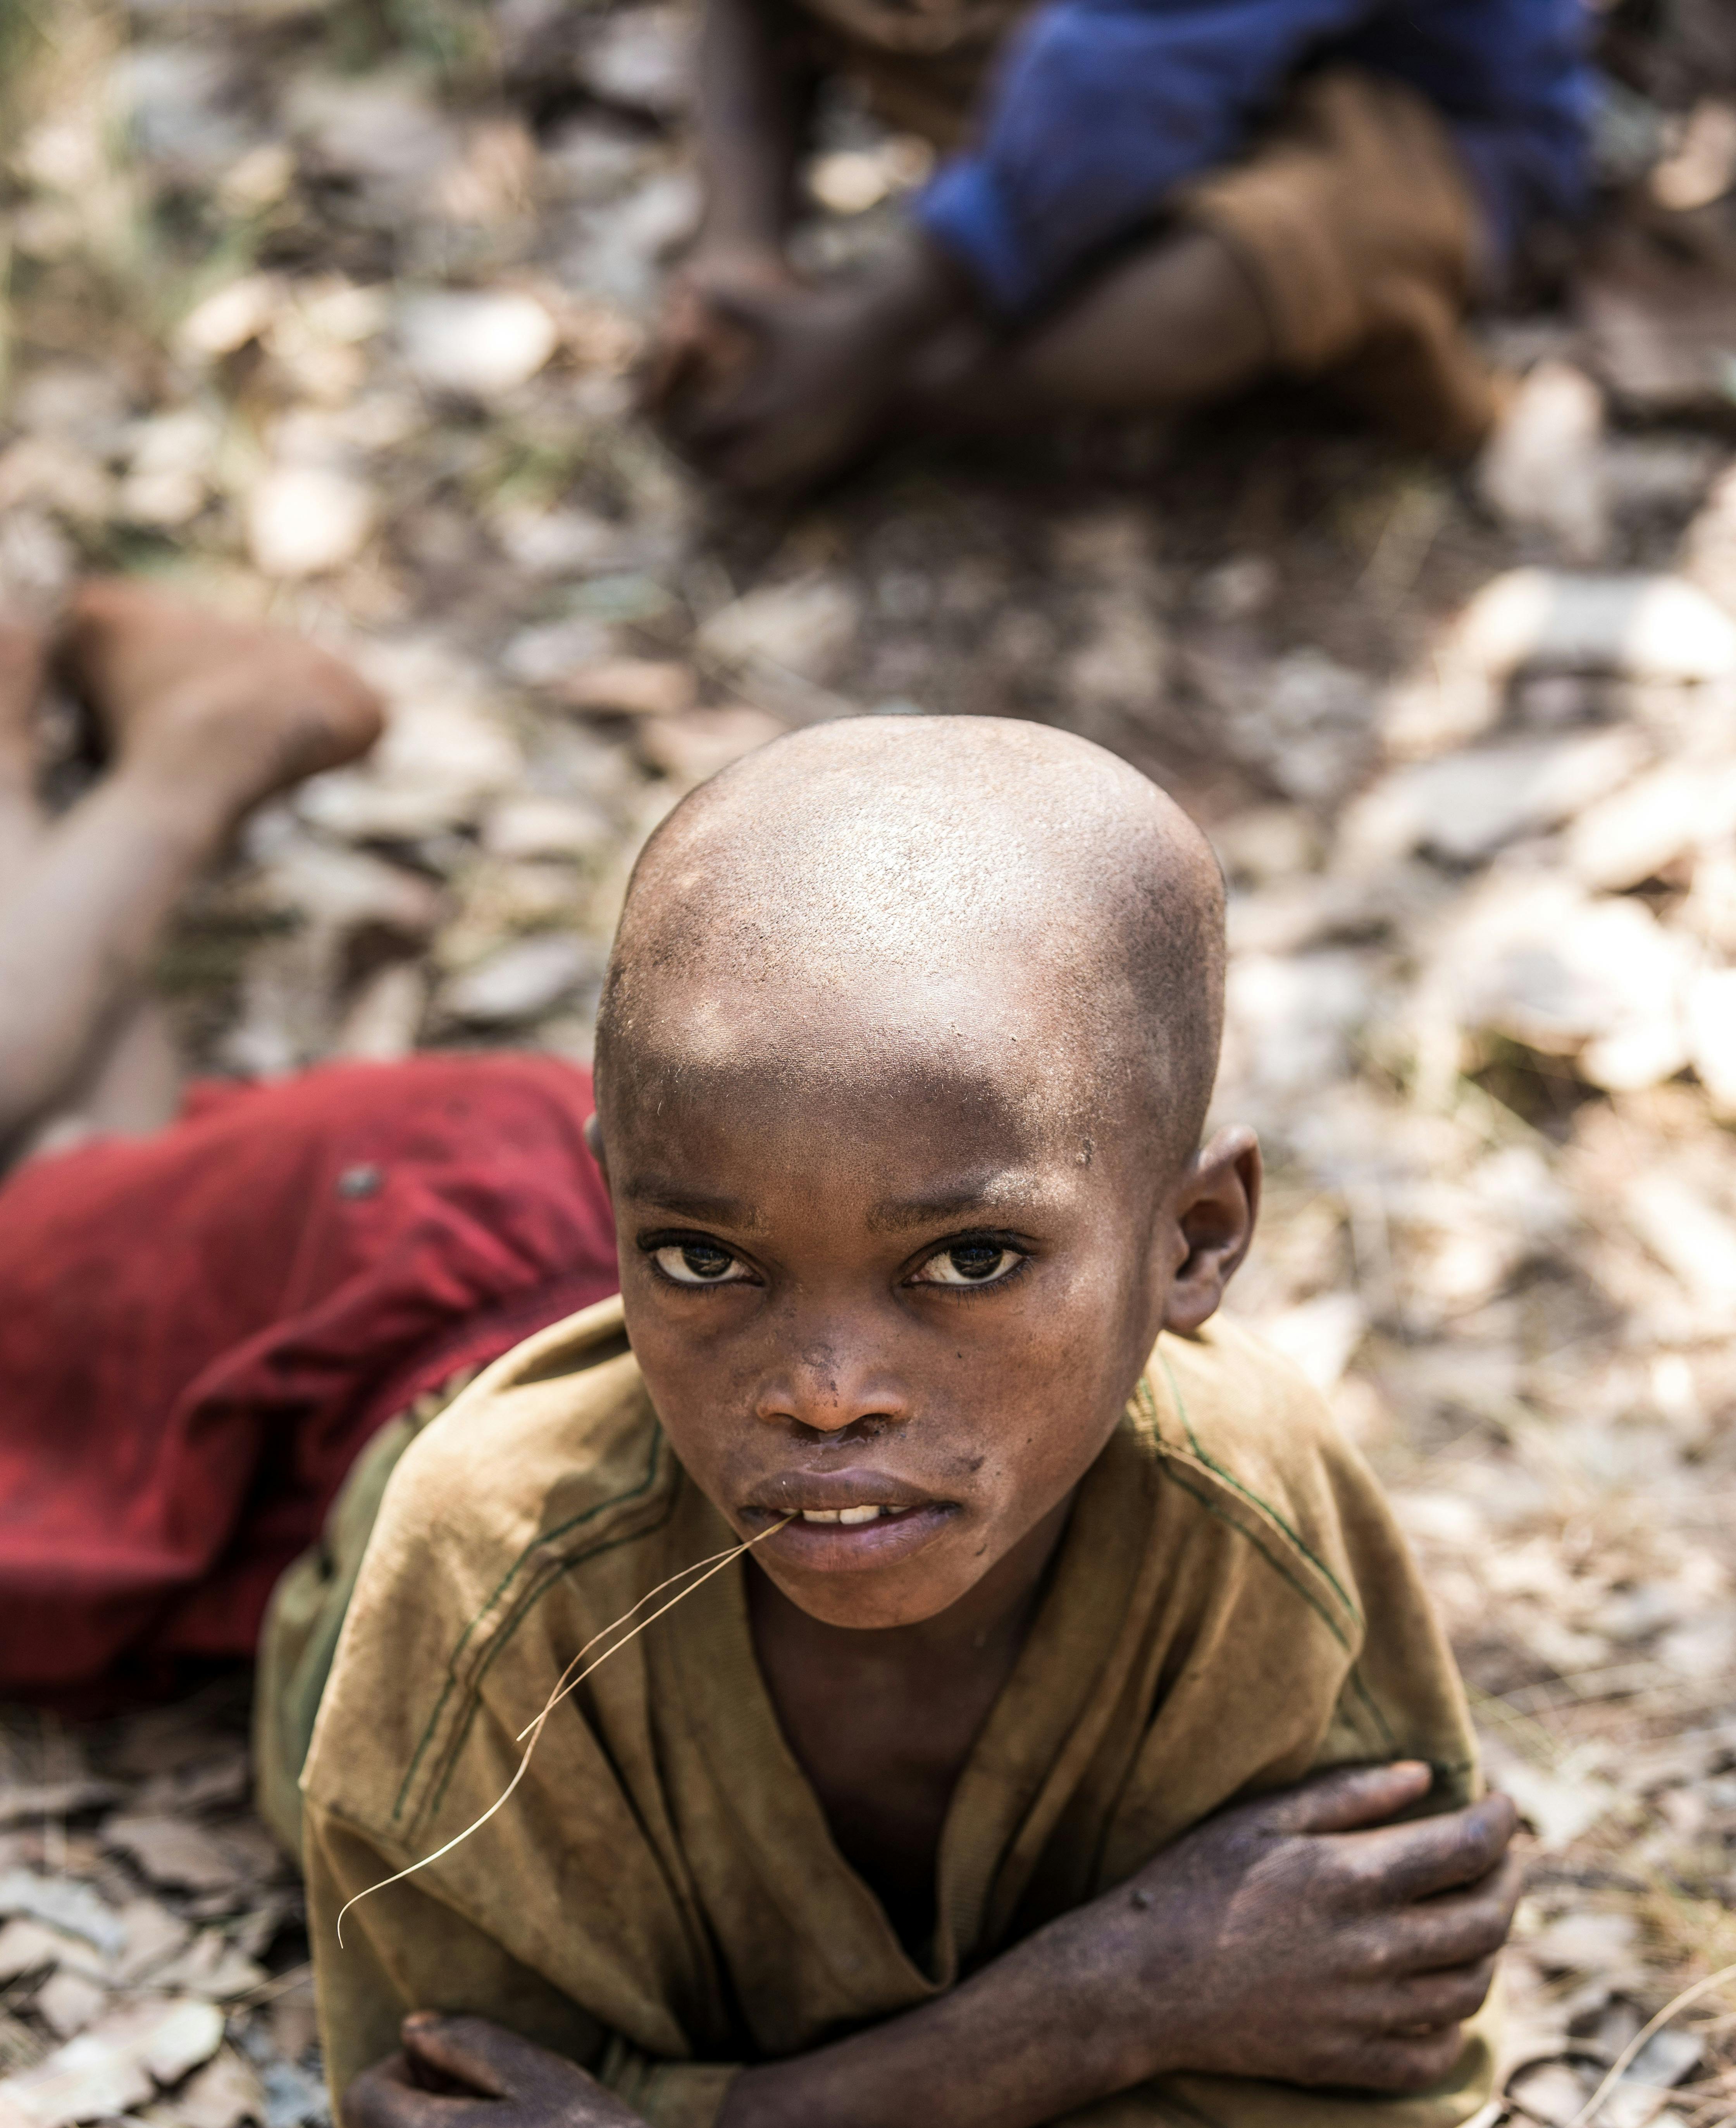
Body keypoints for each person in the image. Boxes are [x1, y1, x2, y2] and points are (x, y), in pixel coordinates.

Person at [312, 713, 1519, 2128]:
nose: (822, 1391)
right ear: (617, 1211)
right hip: (345, 1353)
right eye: (695, 1255)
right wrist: (1096, 2013)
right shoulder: (489, 1562)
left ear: (1194, 1240)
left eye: (965, 1263)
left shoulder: (1241, 1527)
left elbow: (1362, 2107)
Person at [0, 583, 618, 1819]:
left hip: (520, 1238)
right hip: (463, 1270)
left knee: (83, 1200)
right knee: (52, 1229)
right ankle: (191, 761)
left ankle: (169, 763)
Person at [648, 0, 1592, 493]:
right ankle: (772, 325)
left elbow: (1125, 75)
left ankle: (896, 400)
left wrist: (871, 336)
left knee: (1247, 266)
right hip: (1110, 62)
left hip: (1417, 121)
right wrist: (734, 257)